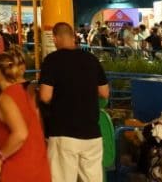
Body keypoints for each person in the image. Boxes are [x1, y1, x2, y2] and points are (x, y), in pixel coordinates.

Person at [39, 22, 109, 182]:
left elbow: (45, 96)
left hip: (63, 133)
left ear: (55, 38)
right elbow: (104, 93)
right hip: (92, 134)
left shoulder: (52, 60)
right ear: (73, 37)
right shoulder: (91, 59)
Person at [0, 51, 50, 181]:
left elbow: (20, 133)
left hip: (19, 168)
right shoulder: (23, 92)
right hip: (37, 166)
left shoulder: (5, 98)